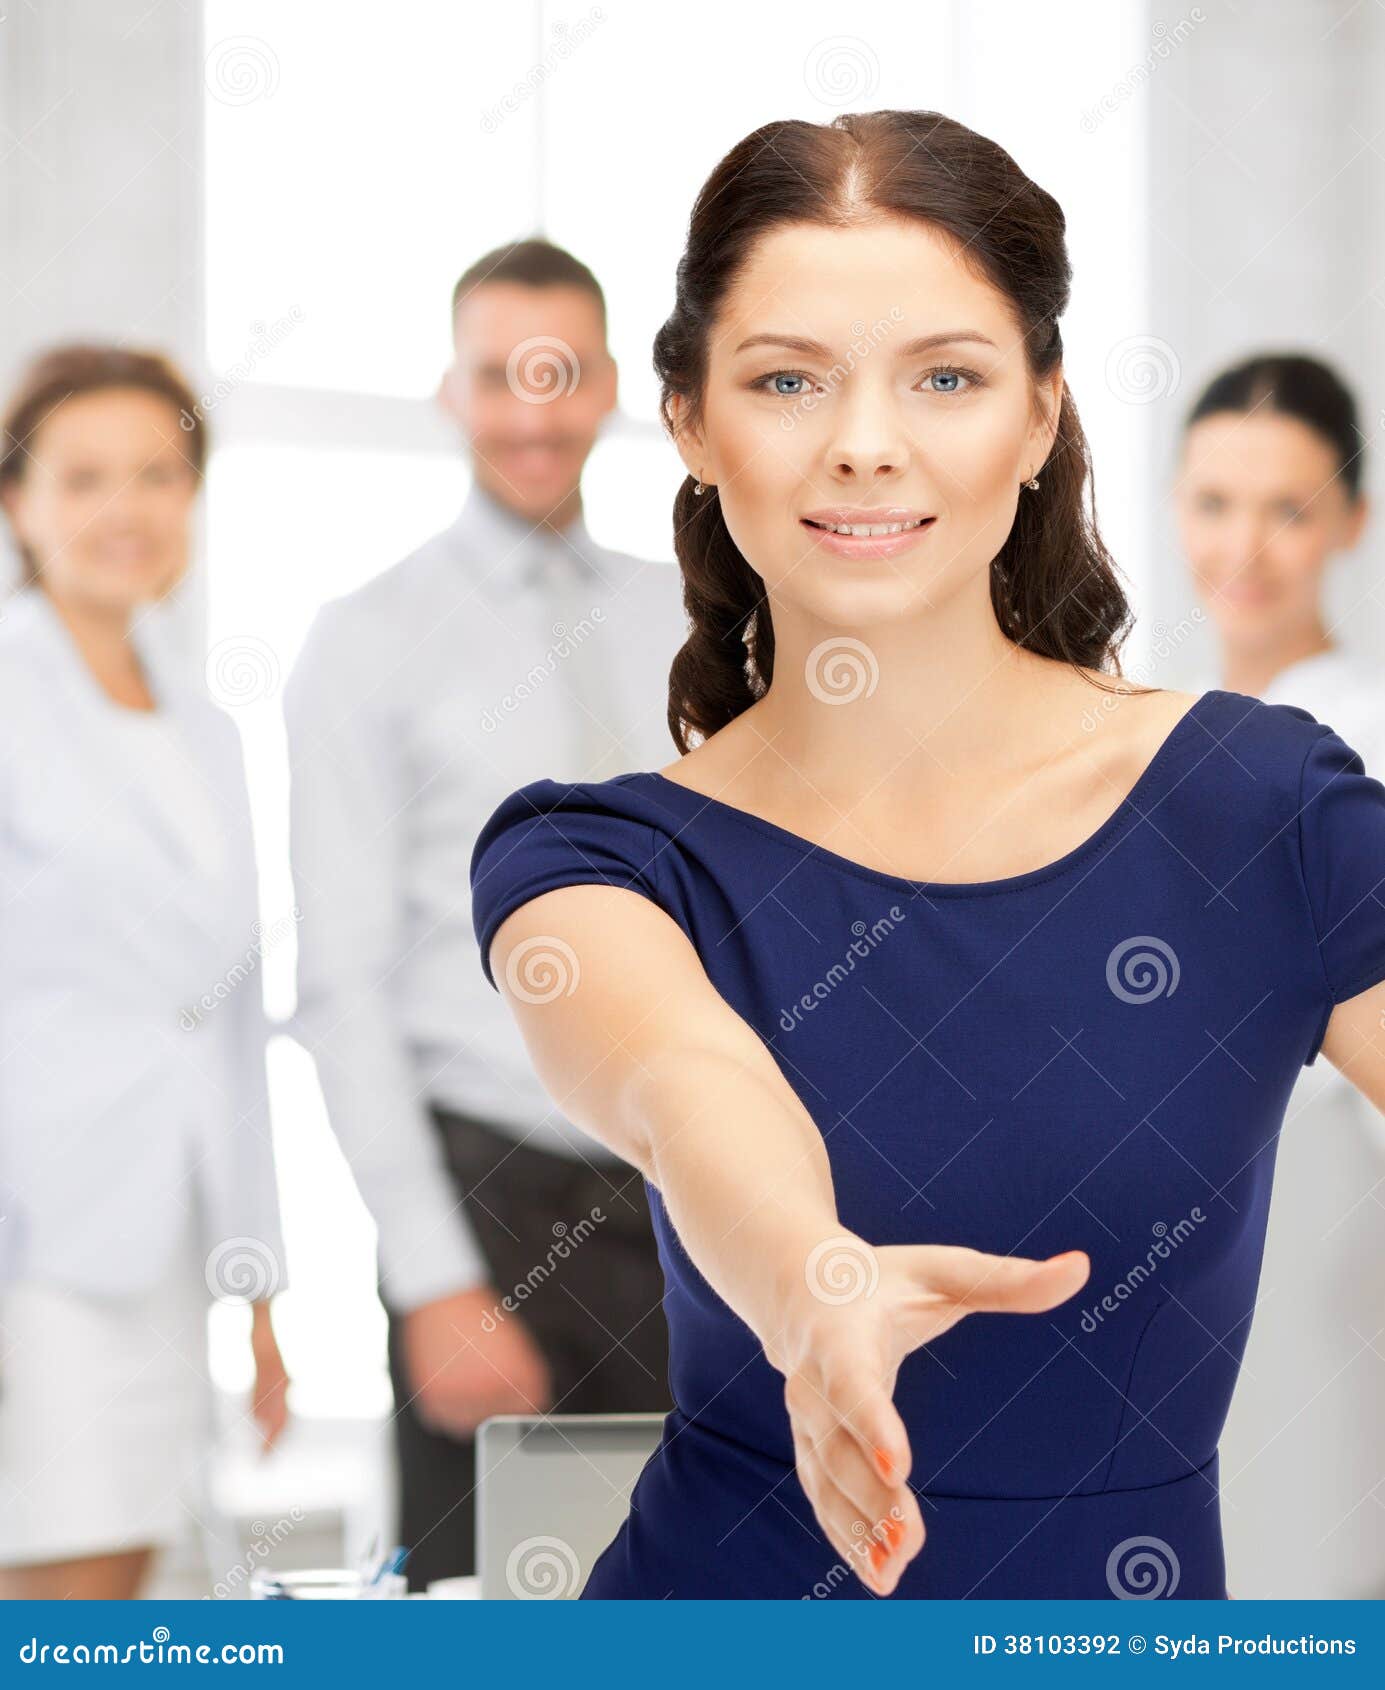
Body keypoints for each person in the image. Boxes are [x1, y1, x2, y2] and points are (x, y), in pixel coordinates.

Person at [468, 110, 1385, 1600]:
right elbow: (688, 1091)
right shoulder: (595, 860)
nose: (864, 442)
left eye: (945, 377)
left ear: (1037, 416)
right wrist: (815, 1286)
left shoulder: (1259, 808)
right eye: (786, 381)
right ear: (690, 420)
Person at [284, 240, 684, 1590]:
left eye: (561, 374)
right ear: (449, 393)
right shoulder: (366, 637)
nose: (532, 411)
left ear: (612, 386)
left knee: (689, 1609)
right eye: (499, 376)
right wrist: (432, 1276)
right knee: (479, 1615)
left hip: (683, 1192)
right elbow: (340, 983)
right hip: (486, 1203)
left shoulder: (691, 615)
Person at [0, 345, 290, 1600]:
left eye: (157, 474)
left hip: (164, 1240)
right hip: (31, 1242)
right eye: (84, 478)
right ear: (19, 502)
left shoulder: (203, 722)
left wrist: (258, 1293)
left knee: (119, 1577)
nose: (126, 508)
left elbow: (225, 1022)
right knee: (57, 1587)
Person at [1174, 353, 1385, 1599]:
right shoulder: (1152, 715)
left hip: (1323, 1215)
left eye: (1286, 510)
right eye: (1213, 503)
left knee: (1307, 1558)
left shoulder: (1361, 734)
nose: (1241, 548)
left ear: (1349, 520)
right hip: (1178, 1238)